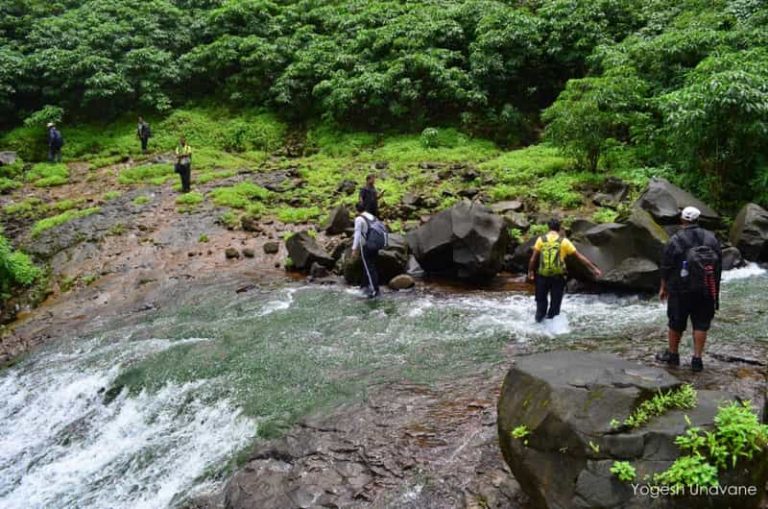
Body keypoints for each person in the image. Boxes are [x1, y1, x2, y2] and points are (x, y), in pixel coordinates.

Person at [656, 206, 722, 372]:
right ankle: (697, 359)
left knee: (675, 322)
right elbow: (719, 266)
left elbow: (666, 266)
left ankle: (673, 355)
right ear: (698, 219)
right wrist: (715, 290)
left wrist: (663, 287)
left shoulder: (675, 240)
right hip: (706, 288)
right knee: (701, 324)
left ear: (682, 219)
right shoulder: (711, 238)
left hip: (680, 289)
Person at [528, 218, 602, 323]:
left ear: (549, 228)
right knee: (555, 305)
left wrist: (530, 271)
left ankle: (539, 324)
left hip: (542, 277)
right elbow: (579, 257)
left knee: (541, 303)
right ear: (559, 229)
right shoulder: (564, 242)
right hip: (558, 278)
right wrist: (594, 269)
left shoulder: (541, 240)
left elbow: (533, 258)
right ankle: (552, 329)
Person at [352, 202, 387, 298]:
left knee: (369, 267)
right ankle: (364, 286)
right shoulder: (371, 216)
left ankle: (375, 291)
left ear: (356, 210)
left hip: (366, 246)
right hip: (374, 244)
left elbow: (357, 234)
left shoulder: (359, 219)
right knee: (369, 265)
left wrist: (354, 249)